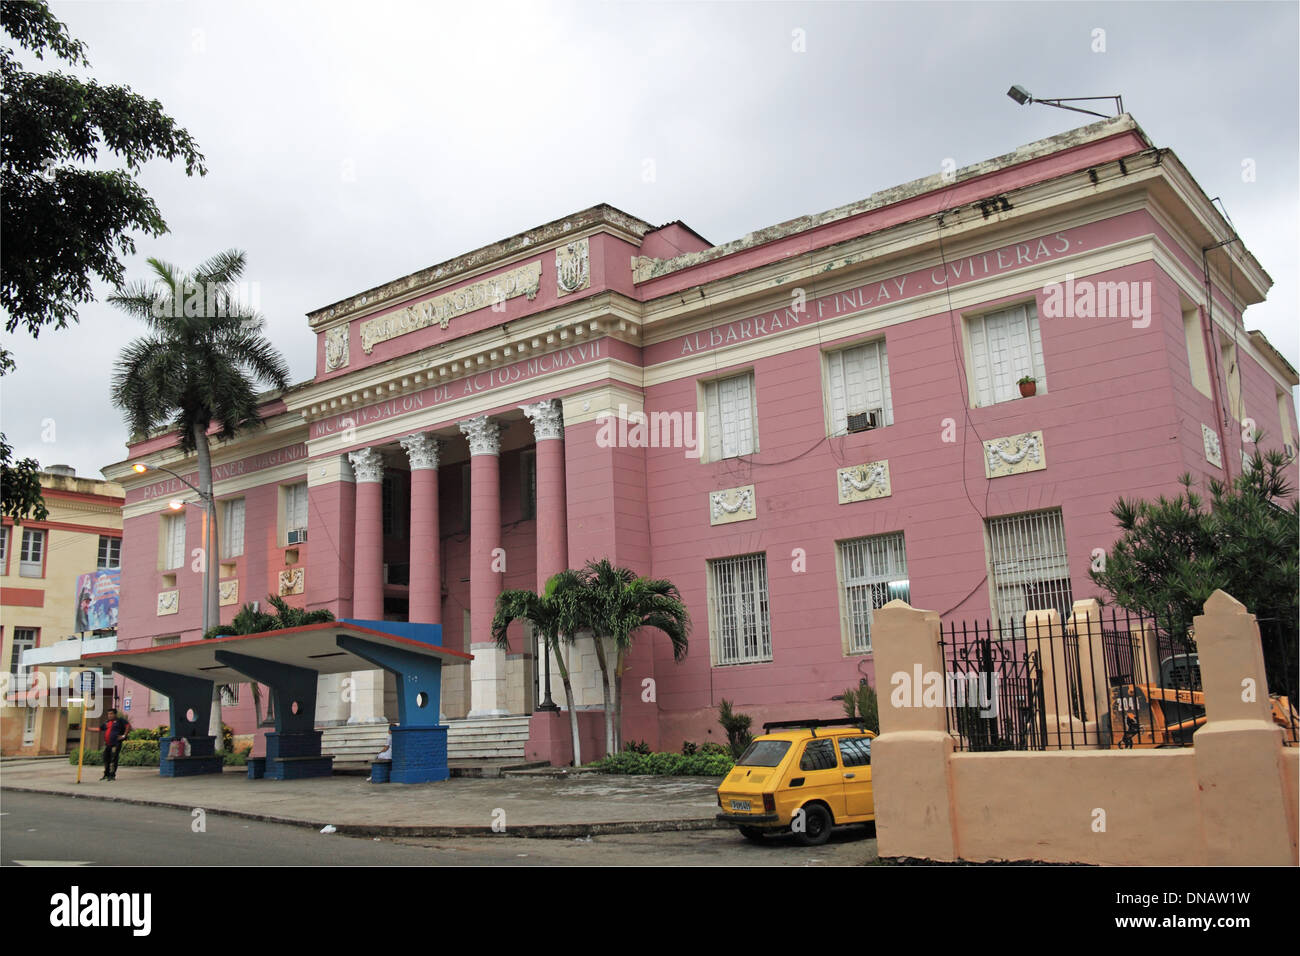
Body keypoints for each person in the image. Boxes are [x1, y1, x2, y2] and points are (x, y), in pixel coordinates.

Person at [99, 708, 128, 780]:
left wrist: (124, 735)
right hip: (108, 744)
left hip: (116, 743)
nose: (109, 715)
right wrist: (87, 728)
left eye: (111, 714)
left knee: (113, 758)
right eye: (108, 714)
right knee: (106, 758)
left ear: (115, 714)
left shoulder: (120, 721)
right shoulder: (107, 722)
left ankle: (112, 775)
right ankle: (106, 774)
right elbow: (99, 729)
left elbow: (128, 726)